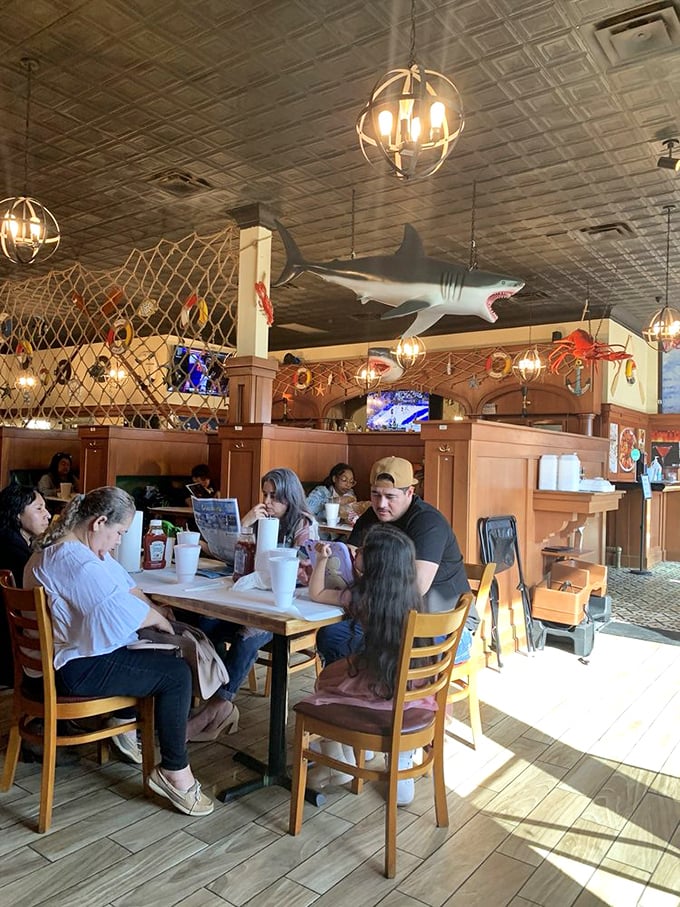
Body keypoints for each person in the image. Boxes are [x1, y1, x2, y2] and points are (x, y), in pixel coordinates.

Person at [24, 486, 214, 817]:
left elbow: (125, 587)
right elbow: (116, 610)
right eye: (119, 532)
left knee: (154, 651)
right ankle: (175, 773)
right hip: (69, 671)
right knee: (176, 675)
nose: (118, 541)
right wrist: (157, 617)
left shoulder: (67, 547)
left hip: (52, 664)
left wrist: (154, 609)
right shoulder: (74, 561)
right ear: (98, 522)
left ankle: (126, 726)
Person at [304, 525, 430, 803]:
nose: (355, 550)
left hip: (376, 685)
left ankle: (338, 759)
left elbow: (318, 594)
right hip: (414, 686)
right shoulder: (410, 595)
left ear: (375, 563)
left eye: (361, 550)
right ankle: (400, 757)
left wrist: (323, 559)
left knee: (325, 686)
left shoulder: (362, 596)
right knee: (334, 679)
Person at [316, 456, 475, 667]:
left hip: (443, 624)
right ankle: (355, 694)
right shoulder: (372, 516)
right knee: (332, 636)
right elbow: (347, 560)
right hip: (390, 619)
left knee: (375, 649)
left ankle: (387, 697)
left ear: (410, 492)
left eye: (390, 496)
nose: (381, 504)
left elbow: (417, 586)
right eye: (375, 494)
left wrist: (361, 591)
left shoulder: (428, 522)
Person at [199, 468, 318, 713]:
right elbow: (235, 556)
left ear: (289, 496)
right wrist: (246, 522)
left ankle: (218, 707)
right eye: (265, 495)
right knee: (205, 625)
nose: (266, 502)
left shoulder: (303, 523)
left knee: (245, 637)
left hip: (286, 606)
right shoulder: (262, 521)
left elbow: (305, 570)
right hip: (251, 597)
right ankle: (212, 691)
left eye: (274, 496)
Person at [0, 484, 51, 687]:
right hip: (11, 655)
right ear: (16, 513)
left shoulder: (11, 540)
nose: (47, 515)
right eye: (38, 509)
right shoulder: (13, 551)